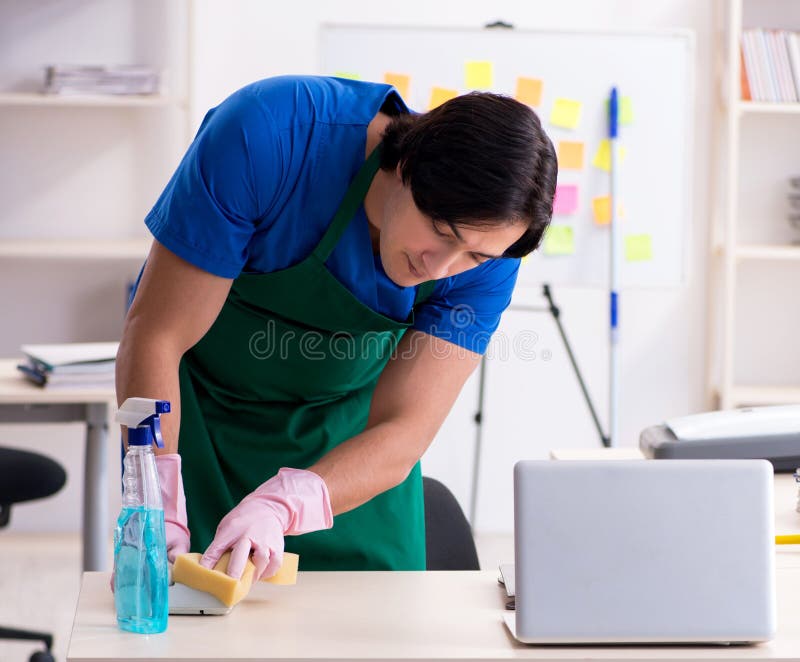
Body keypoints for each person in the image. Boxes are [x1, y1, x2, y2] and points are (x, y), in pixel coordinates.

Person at [116, 75, 557, 581]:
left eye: (475, 255)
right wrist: (154, 499)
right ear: (406, 165)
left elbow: (405, 427)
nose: (441, 269)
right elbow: (155, 336)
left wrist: (286, 504)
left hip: (351, 460)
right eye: (440, 232)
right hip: (199, 434)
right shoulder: (268, 137)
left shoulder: (492, 256)